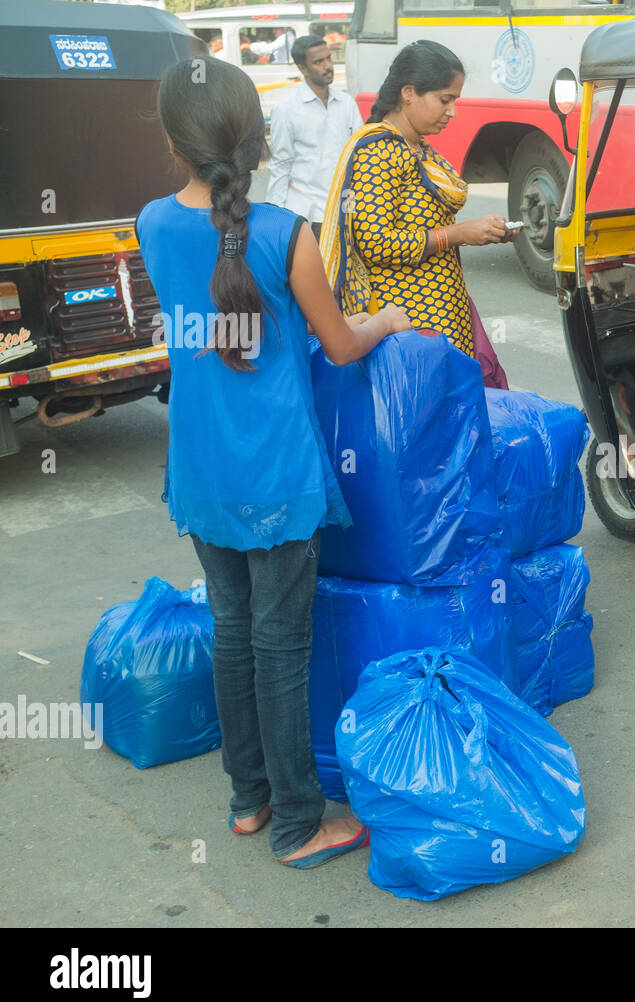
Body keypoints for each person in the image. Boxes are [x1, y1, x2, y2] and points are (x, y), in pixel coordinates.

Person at [135, 56, 410, 869]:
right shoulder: (289, 234)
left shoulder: (150, 223)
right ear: (256, 138)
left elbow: (207, 320)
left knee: (233, 629)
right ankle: (300, 823)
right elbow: (340, 343)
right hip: (276, 475)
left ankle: (249, 801)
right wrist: (387, 318)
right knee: (280, 643)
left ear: (172, 141)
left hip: (201, 469)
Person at [320, 40, 514, 361]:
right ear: (408, 93)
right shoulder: (378, 151)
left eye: (454, 100)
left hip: (442, 321)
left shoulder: (416, 146)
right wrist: (456, 234)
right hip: (408, 325)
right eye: (444, 100)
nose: (451, 111)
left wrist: (486, 232)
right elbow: (375, 243)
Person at [267, 34, 362, 237]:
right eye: (319, 62)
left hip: (347, 212)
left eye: (328, 58)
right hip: (309, 218)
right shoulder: (286, 109)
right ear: (303, 69)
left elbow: (360, 156)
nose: (328, 65)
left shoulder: (347, 104)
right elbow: (281, 165)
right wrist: (276, 216)